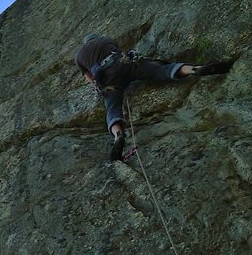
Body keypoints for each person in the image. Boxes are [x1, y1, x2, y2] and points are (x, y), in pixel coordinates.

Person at [76, 33, 233, 161]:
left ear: (85, 42)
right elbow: (117, 53)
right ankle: (195, 69)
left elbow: (89, 78)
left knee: (112, 108)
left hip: (108, 79)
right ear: (95, 38)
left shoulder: (79, 56)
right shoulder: (106, 39)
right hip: (126, 64)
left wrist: (99, 86)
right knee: (161, 70)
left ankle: (118, 135)